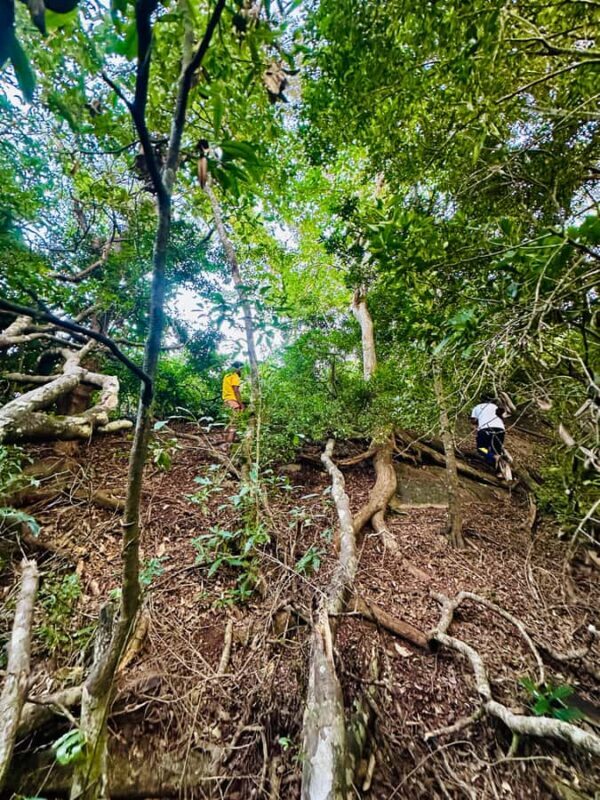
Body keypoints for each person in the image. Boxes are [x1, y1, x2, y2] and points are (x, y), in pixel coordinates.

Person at [470, 396, 507, 472]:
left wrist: (479, 420)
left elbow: (473, 421)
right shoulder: (495, 406)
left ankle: (493, 457)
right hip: (500, 429)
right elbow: (502, 417)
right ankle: (498, 471)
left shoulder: (477, 407)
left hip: (485, 429)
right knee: (497, 451)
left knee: (481, 448)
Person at [222, 361, 245, 444]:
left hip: (226, 400)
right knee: (234, 423)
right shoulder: (235, 376)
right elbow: (236, 391)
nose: (241, 371)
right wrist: (241, 404)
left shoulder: (227, 376)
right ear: (238, 368)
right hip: (233, 401)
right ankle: (229, 444)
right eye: (241, 369)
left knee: (228, 422)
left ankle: (226, 442)